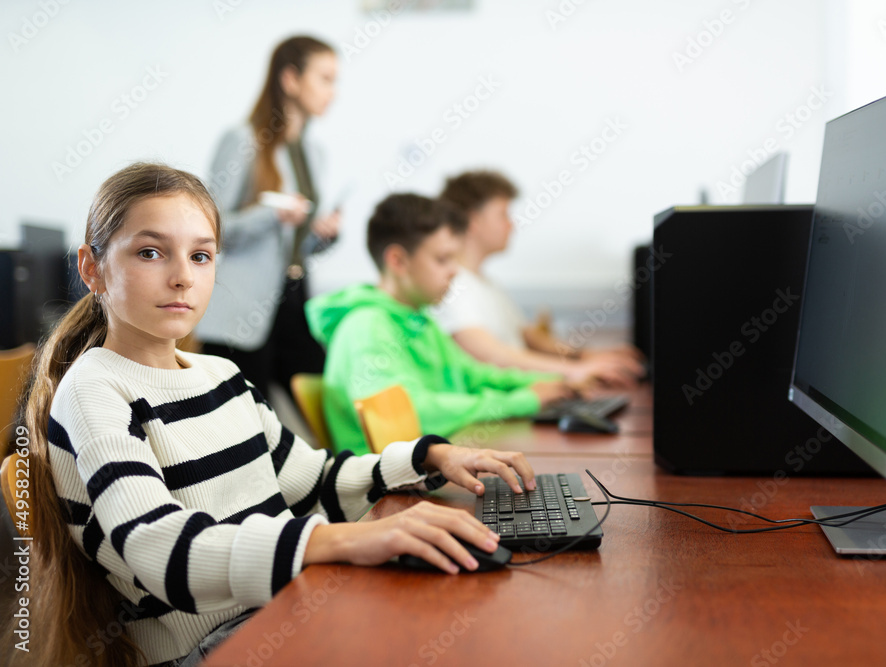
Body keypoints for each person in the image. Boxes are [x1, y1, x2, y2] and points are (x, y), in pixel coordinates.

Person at [17, 163, 536, 667]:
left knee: (470, 619)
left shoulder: (219, 374)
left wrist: (430, 458)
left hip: (280, 607)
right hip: (209, 645)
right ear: (91, 268)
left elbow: (314, 483)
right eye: (151, 253)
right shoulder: (94, 388)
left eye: (201, 256)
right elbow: (162, 553)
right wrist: (347, 540)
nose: (181, 278)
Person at [304, 193, 576, 455]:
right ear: (398, 261)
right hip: (392, 496)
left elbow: (475, 375)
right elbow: (413, 414)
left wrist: (559, 382)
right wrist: (522, 401)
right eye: (442, 259)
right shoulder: (365, 328)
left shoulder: (419, 320)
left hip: (433, 468)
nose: (454, 270)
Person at [196, 35, 342, 402]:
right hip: (243, 311)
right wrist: (270, 214)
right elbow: (210, 231)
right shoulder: (243, 139)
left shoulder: (314, 152)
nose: (333, 92)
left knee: (323, 402)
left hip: (294, 297)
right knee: (245, 429)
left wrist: (321, 234)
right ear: (290, 79)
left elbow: (294, 245)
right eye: (325, 79)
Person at [434, 170, 645, 387]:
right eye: (503, 215)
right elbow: (491, 356)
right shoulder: (452, 285)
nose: (511, 225)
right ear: (473, 220)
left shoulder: (486, 283)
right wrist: (574, 371)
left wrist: (584, 356)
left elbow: (528, 336)